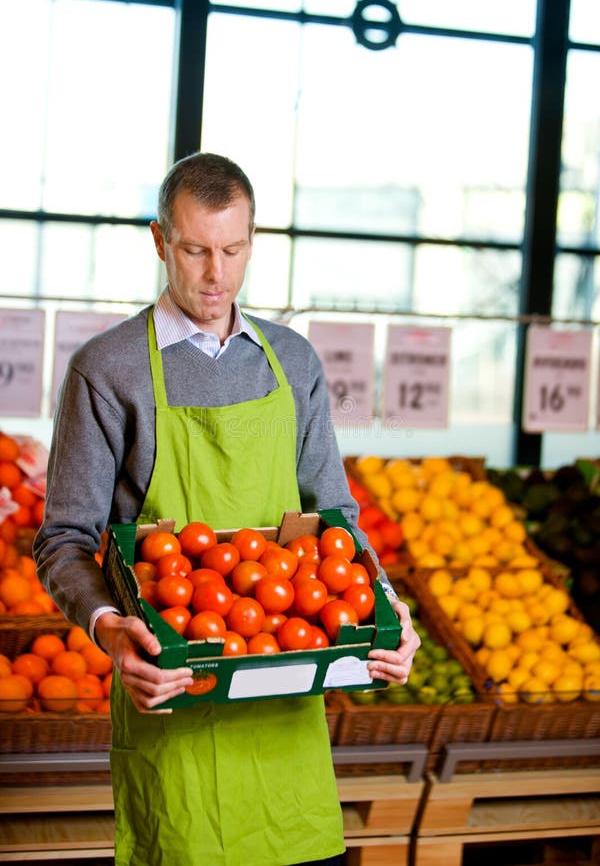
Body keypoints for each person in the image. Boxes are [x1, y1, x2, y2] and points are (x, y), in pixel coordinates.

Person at [34, 151, 420, 866]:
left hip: (286, 696)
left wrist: (387, 611)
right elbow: (62, 538)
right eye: (195, 250)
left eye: (233, 250)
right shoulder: (106, 368)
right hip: (176, 691)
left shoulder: (293, 361)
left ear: (252, 242)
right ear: (160, 242)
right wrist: (109, 629)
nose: (216, 274)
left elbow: (333, 515)